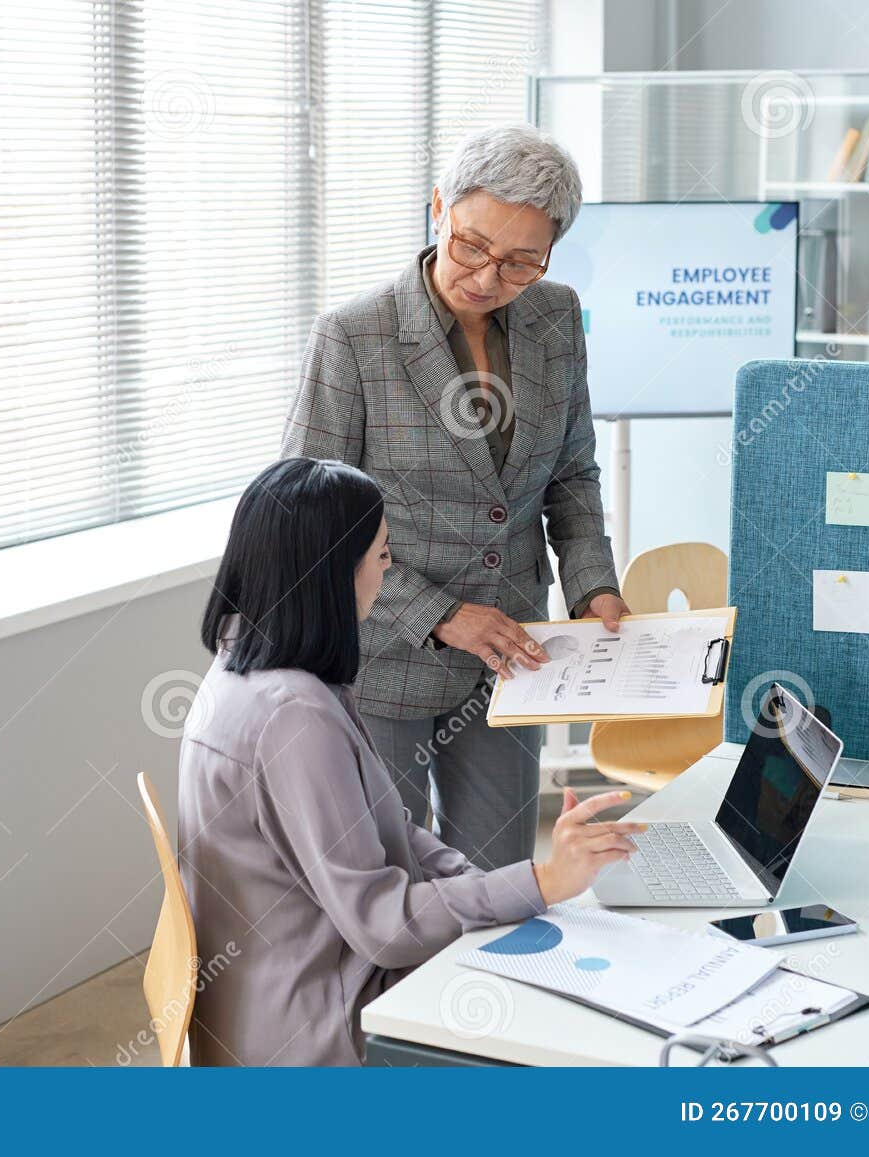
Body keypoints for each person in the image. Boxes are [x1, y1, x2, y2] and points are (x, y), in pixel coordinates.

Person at [178, 457, 640, 1066]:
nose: (388, 570)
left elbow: (383, 830)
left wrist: (513, 887)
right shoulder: (296, 719)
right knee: (575, 1019)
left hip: (275, 999)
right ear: (331, 574)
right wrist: (545, 882)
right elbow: (382, 925)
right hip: (324, 1028)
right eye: (381, 555)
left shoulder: (241, 665)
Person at [282, 124, 627, 871]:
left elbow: (571, 471)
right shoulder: (354, 336)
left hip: (512, 662)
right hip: (384, 659)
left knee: (501, 878)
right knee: (388, 886)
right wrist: (440, 616)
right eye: (471, 245)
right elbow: (306, 520)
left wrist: (593, 582)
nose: (485, 277)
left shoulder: (557, 318)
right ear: (439, 207)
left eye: (519, 262)